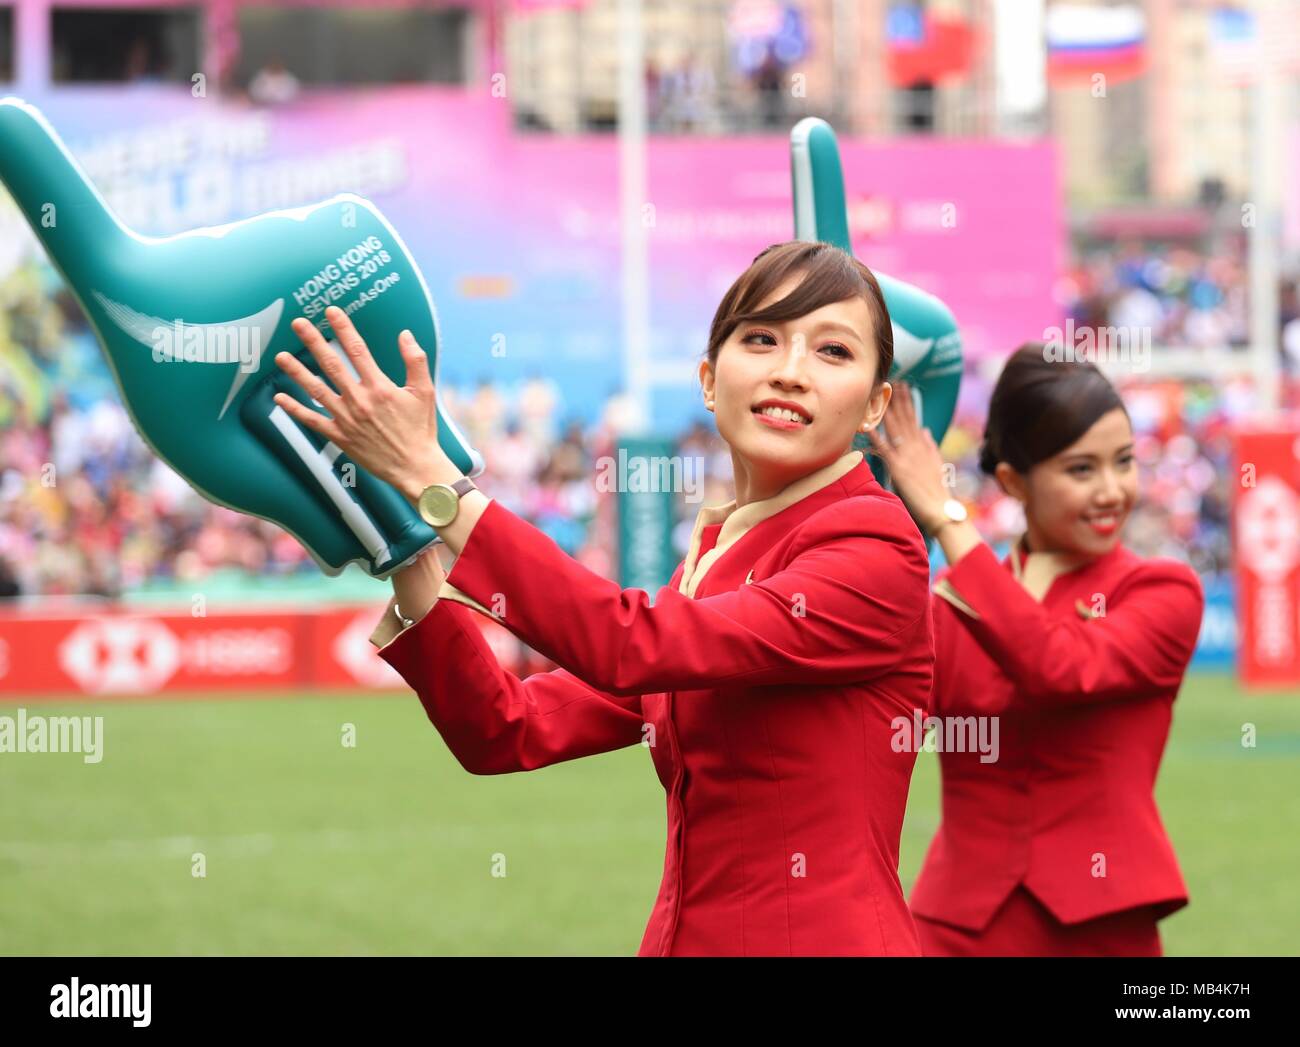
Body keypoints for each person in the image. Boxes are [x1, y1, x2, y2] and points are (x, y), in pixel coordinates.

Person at [270, 241, 935, 956]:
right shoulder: (714, 564)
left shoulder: (872, 546)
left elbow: (629, 643)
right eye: (762, 338)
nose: (790, 371)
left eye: (832, 351)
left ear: (876, 403)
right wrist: (404, 539)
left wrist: (437, 482)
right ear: (709, 380)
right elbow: (508, 727)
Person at [867, 345, 1205, 957]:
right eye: (1081, 470)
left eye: (1123, 462)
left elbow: (1061, 667)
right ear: (1013, 482)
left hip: (1104, 927)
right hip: (956, 927)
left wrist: (946, 518)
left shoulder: (1162, 591)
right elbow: (876, 720)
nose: (1111, 490)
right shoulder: (948, 603)